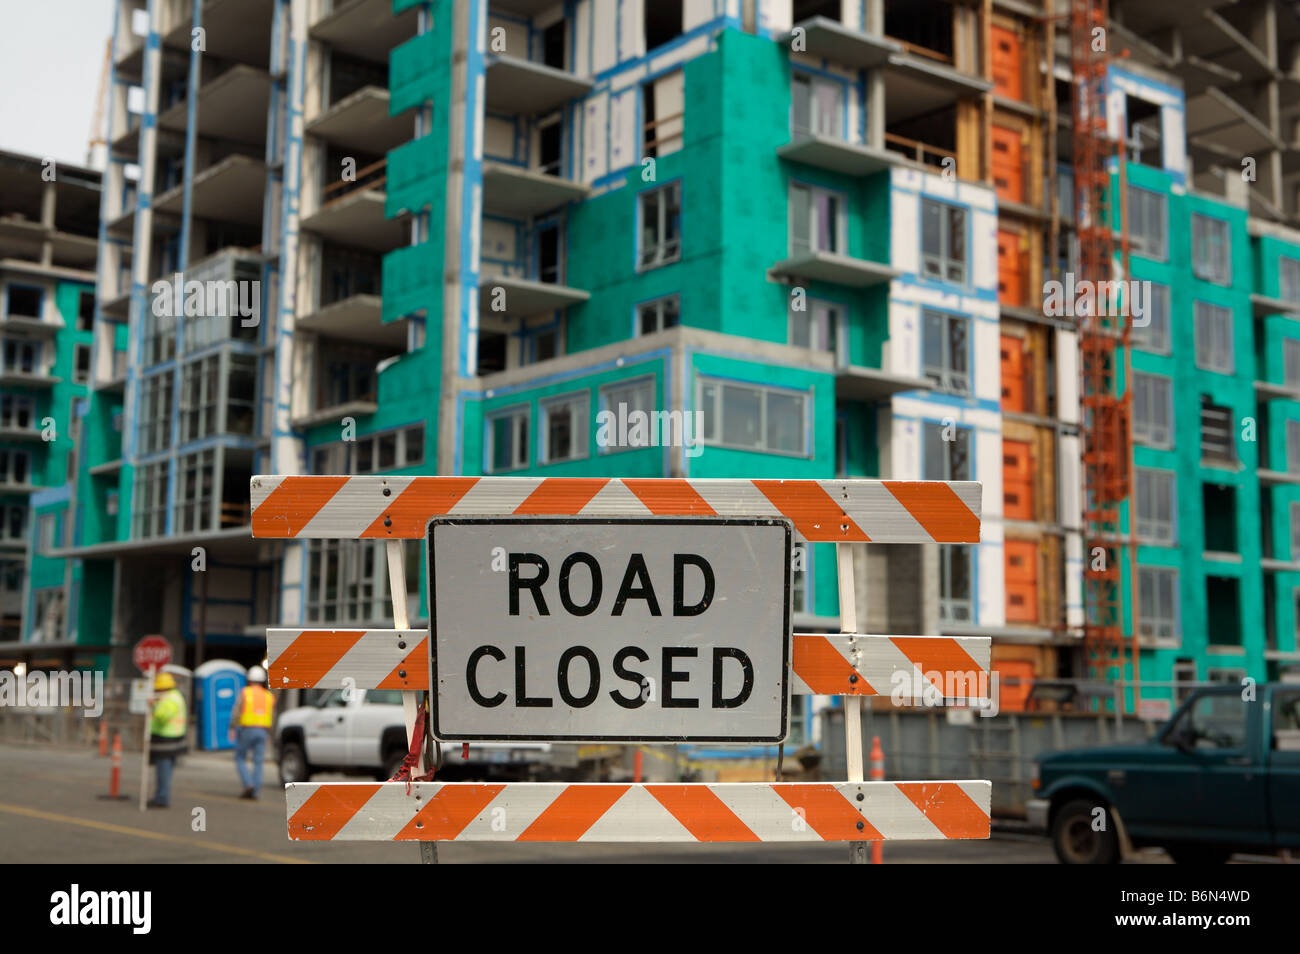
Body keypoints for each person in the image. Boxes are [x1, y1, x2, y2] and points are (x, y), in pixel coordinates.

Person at [230, 665, 274, 799]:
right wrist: (269, 735)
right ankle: (255, 792)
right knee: (258, 762)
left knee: (239, 757)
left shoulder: (245, 692)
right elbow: (272, 715)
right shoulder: (268, 696)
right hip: (263, 731)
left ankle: (248, 783)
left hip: (247, 729)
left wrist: (232, 727)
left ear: (249, 679)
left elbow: (237, 711)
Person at [147, 671, 187, 808]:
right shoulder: (174, 696)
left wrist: (153, 705)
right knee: (165, 771)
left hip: (166, 740)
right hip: (171, 739)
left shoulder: (170, 699)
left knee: (163, 772)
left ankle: (162, 798)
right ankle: (161, 796)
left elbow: (162, 717)